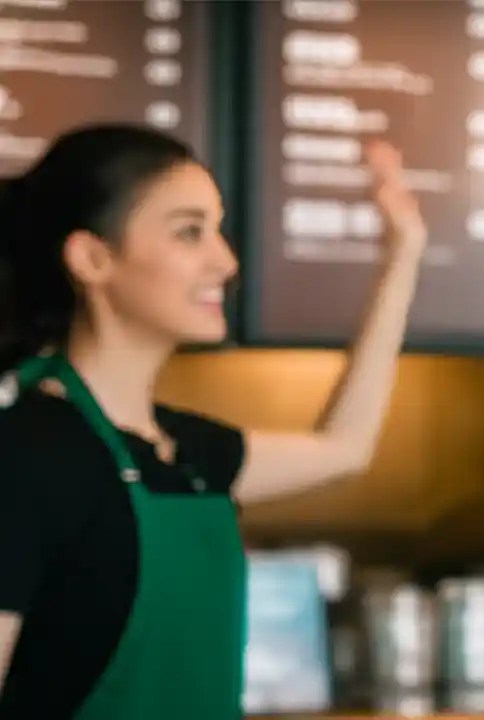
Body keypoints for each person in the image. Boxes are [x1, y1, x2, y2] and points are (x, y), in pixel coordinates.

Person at [0, 124, 425, 719]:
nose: (225, 262)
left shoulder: (191, 454)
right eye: (189, 232)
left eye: (217, 230)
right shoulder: (23, 455)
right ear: (93, 257)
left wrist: (402, 255)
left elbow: (345, 447)